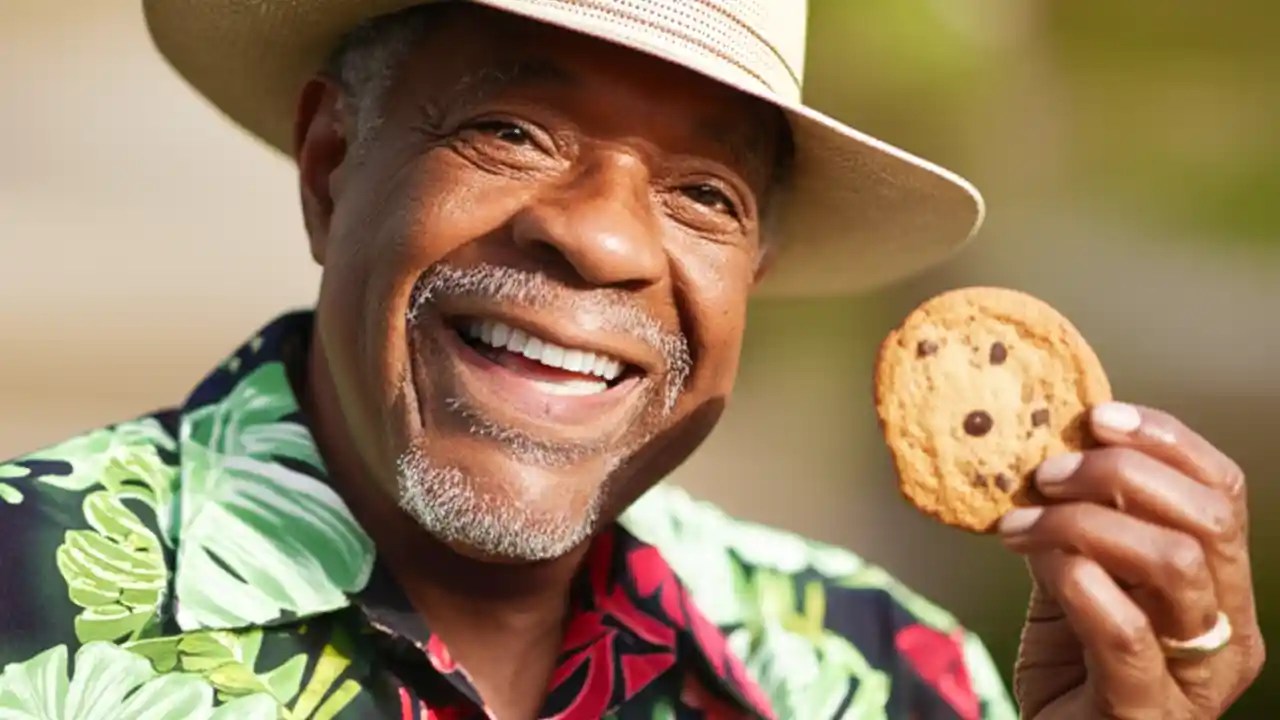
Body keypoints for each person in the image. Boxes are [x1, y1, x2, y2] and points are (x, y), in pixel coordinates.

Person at [0, 0, 1262, 717]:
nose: (601, 240)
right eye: (509, 129)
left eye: (703, 194)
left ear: (753, 269)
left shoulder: (884, 672)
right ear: (333, 168)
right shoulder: (21, 610)